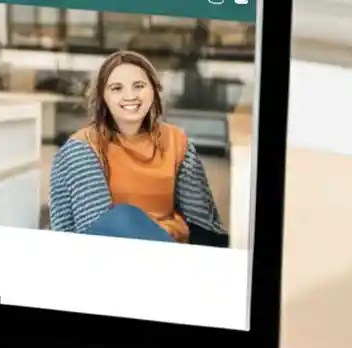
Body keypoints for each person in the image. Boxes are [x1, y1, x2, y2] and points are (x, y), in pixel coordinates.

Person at [49, 50, 226, 246]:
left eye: (139, 86)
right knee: (122, 216)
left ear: (153, 90)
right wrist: (169, 230)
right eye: (117, 88)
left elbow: (203, 226)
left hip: (169, 251)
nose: (130, 96)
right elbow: (97, 228)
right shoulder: (83, 147)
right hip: (102, 257)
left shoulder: (177, 141)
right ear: (103, 97)